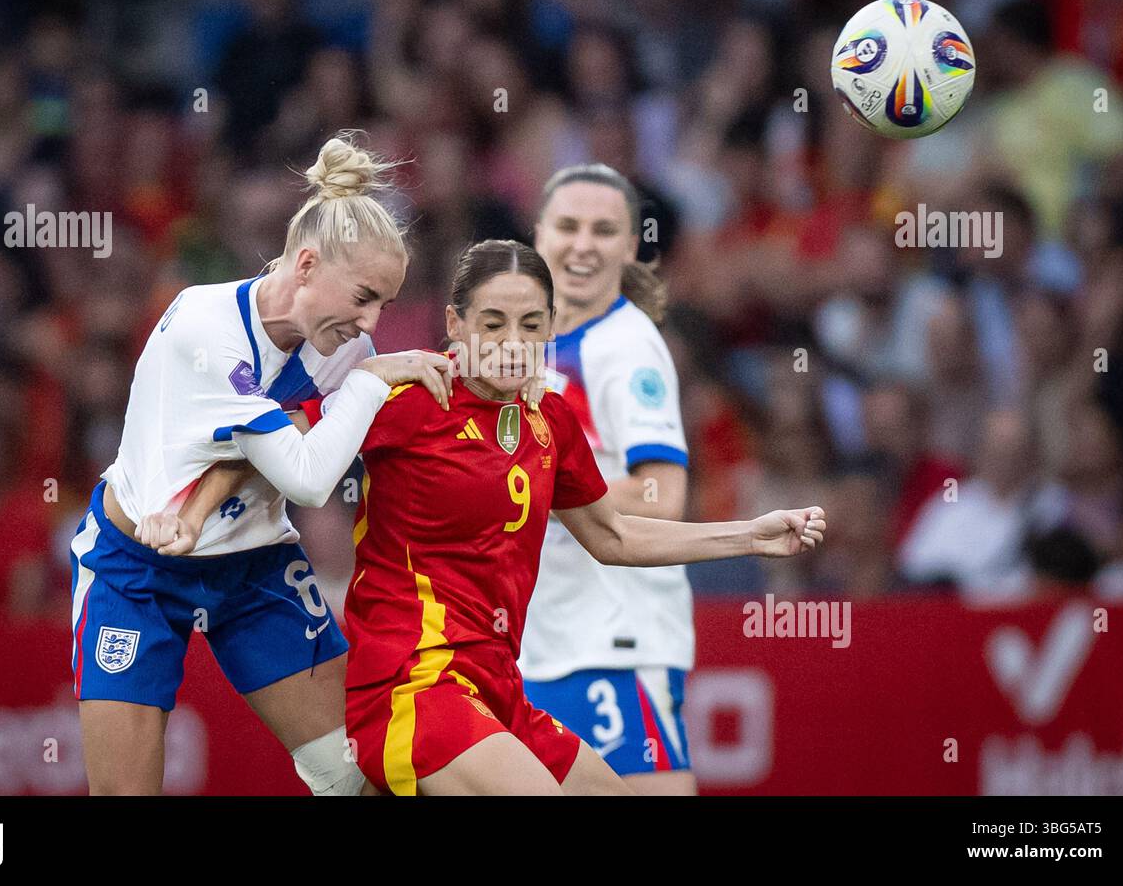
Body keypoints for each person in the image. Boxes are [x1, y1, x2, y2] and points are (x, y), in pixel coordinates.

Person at [152, 239, 824, 795]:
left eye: (530, 325)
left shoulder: (549, 418)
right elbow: (269, 436)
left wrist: (750, 534)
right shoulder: (405, 398)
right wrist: (189, 511)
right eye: (493, 323)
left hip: (499, 693)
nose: (511, 342)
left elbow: (613, 534)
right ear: (456, 324)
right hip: (412, 688)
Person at [70, 134, 457, 795]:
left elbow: (258, 449)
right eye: (363, 296)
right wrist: (372, 378)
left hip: (253, 565)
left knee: (358, 773)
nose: (370, 323)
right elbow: (304, 473)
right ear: (306, 264)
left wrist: (366, 371)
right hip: (137, 570)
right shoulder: (205, 331)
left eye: (383, 307)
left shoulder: (340, 344)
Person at [518, 164, 698, 793]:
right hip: (544, 636)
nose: (583, 244)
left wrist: (531, 489)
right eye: (568, 226)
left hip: (616, 637)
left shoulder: (626, 345)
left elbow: (663, 494)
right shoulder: (527, 349)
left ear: (629, 246)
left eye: (604, 230)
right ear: (538, 235)